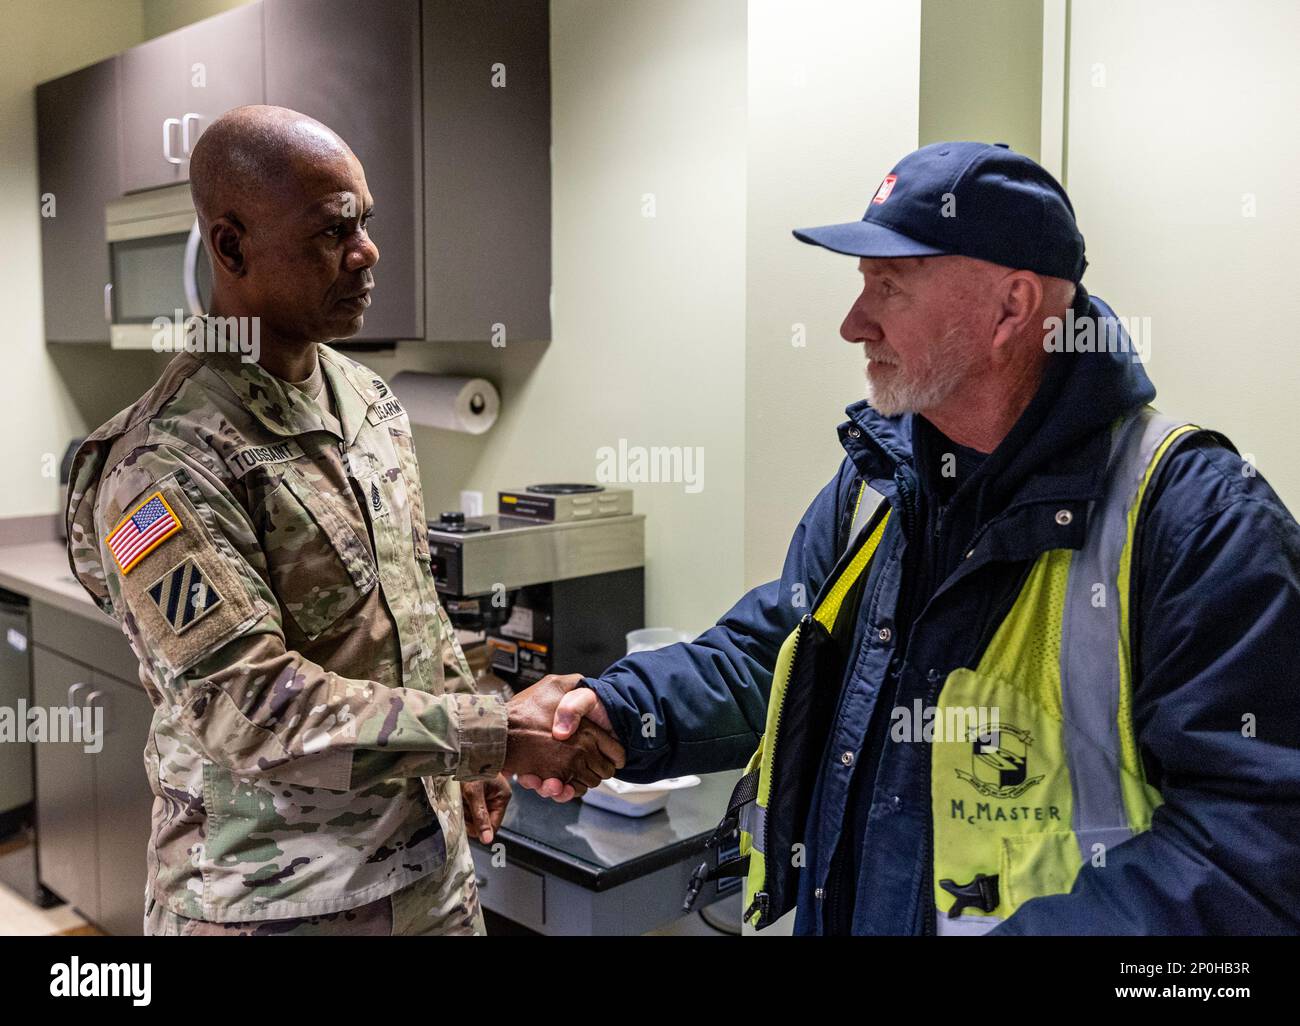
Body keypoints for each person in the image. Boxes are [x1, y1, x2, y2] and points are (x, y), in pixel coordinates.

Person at [518, 142, 1300, 934]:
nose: (853, 324)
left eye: (888, 288)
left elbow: (1251, 853)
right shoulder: (880, 479)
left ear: (1012, 308)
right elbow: (776, 652)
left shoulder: (1197, 521)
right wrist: (620, 709)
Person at [66, 105, 624, 936]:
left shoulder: (365, 400)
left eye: (365, 221)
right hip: (275, 904)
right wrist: (493, 731)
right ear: (231, 246)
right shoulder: (164, 464)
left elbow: (409, 607)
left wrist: (467, 749)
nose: (367, 253)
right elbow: (253, 709)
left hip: (425, 879)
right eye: (332, 232)